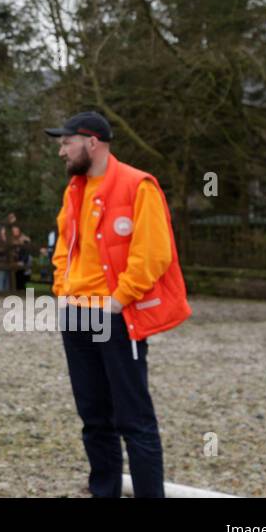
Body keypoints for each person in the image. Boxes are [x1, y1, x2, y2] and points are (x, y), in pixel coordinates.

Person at [45, 111, 191, 498]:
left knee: (134, 419)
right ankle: (103, 492)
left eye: (66, 142)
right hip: (76, 314)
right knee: (93, 418)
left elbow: (154, 254)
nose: (61, 150)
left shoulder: (138, 185)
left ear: (92, 142)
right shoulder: (74, 189)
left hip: (113, 315)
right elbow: (64, 247)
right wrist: (63, 291)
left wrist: (118, 300)